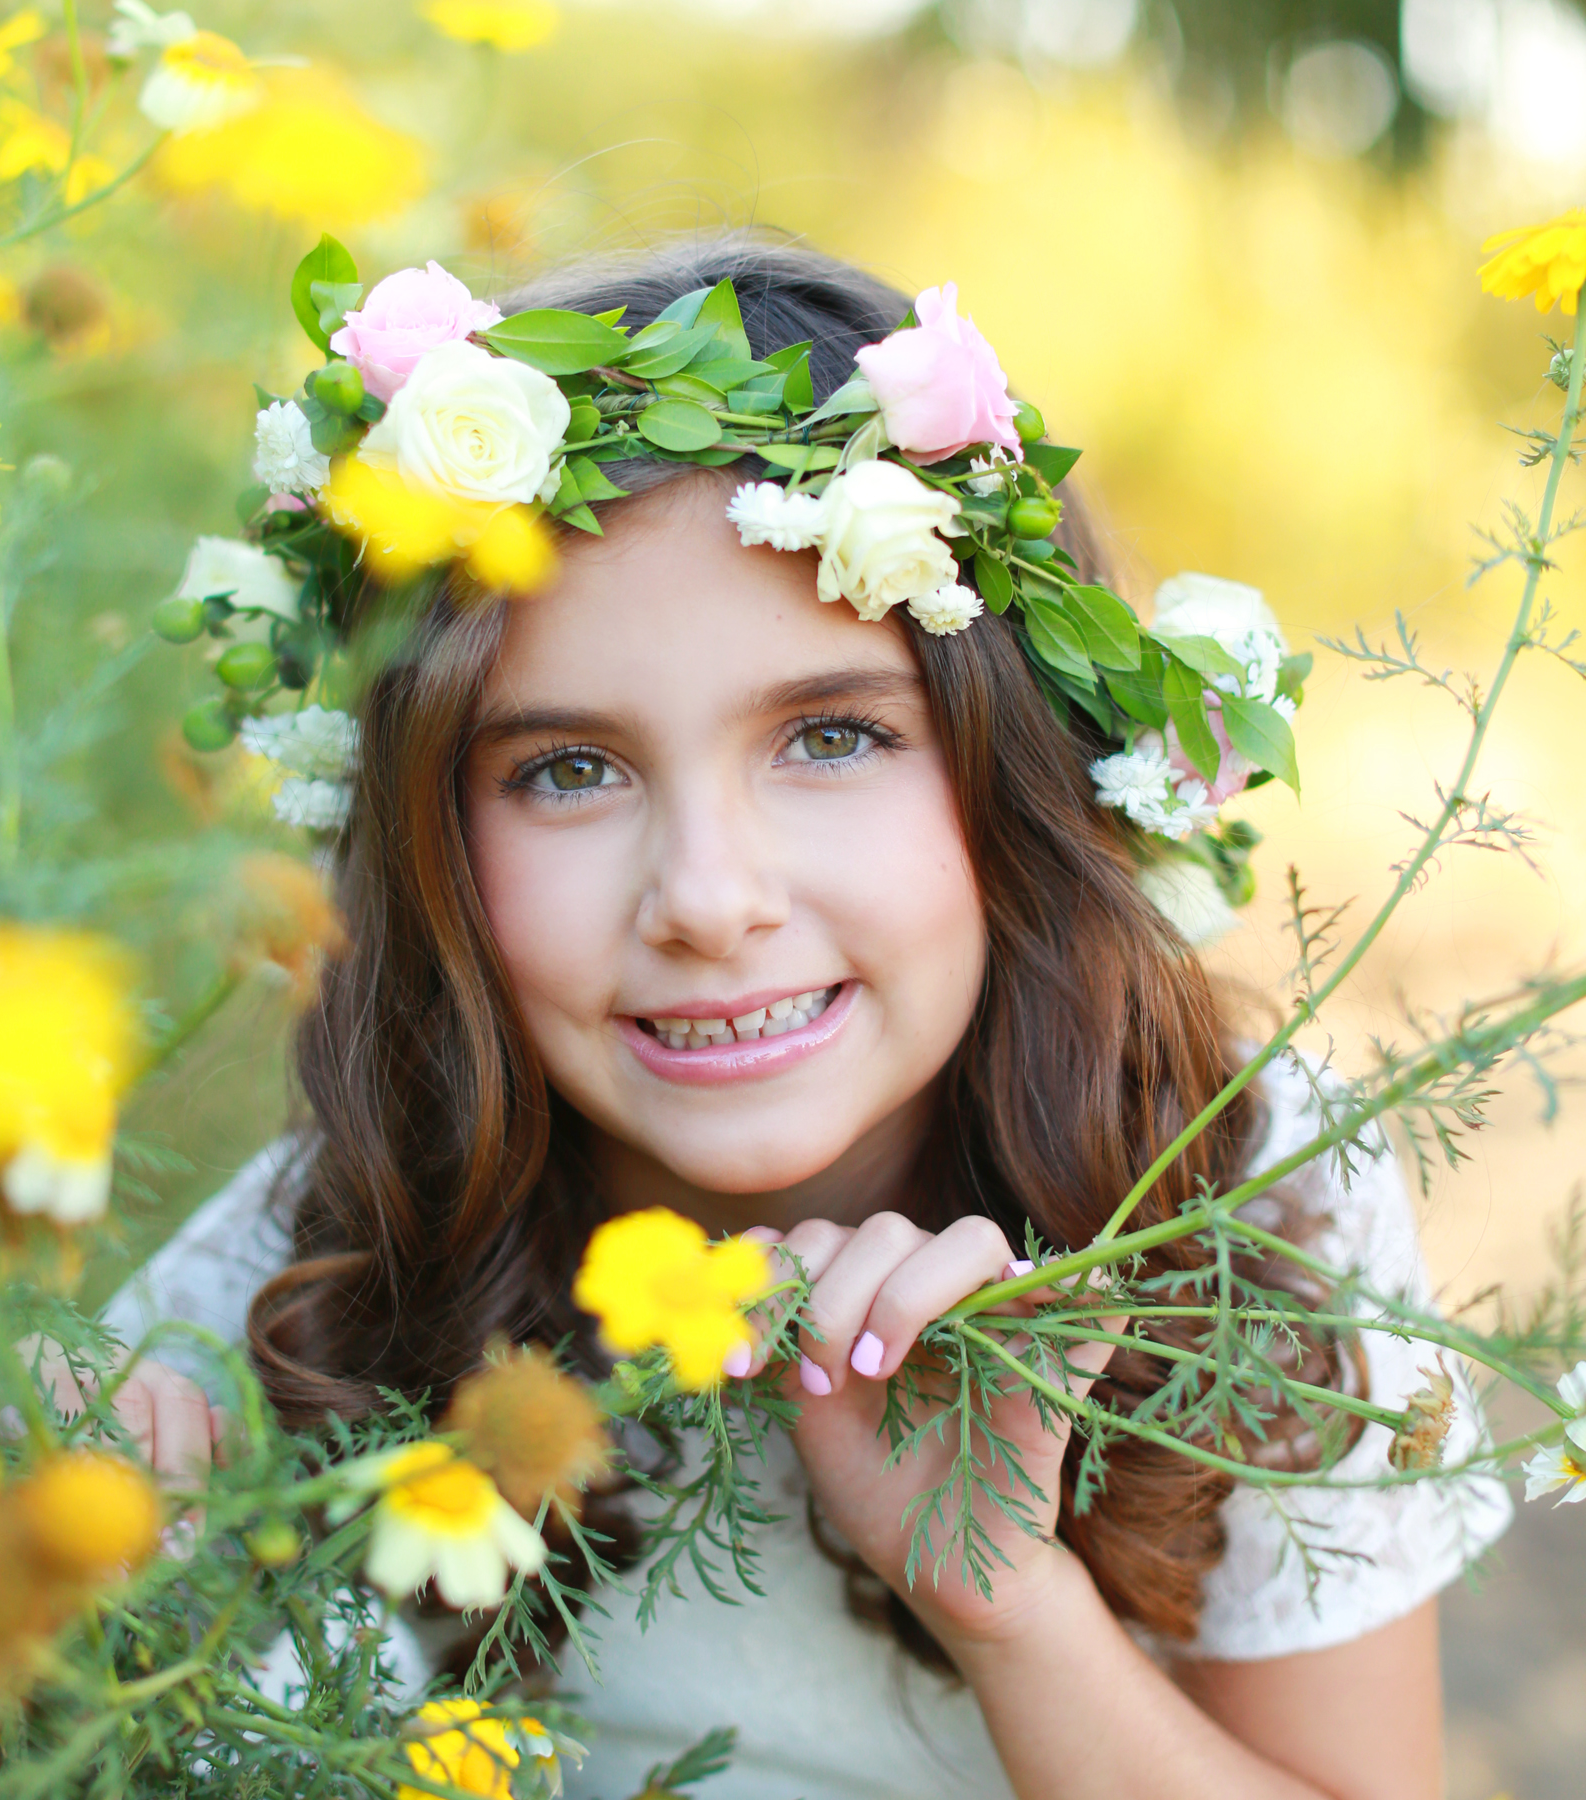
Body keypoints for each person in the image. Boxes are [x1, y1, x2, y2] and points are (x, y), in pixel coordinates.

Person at [89, 236, 1509, 1800]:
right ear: (425, 843)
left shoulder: (1243, 1195)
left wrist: (1004, 1600)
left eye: (831, 736)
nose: (708, 896)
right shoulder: (331, 1259)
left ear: (1011, 776)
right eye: (568, 770)